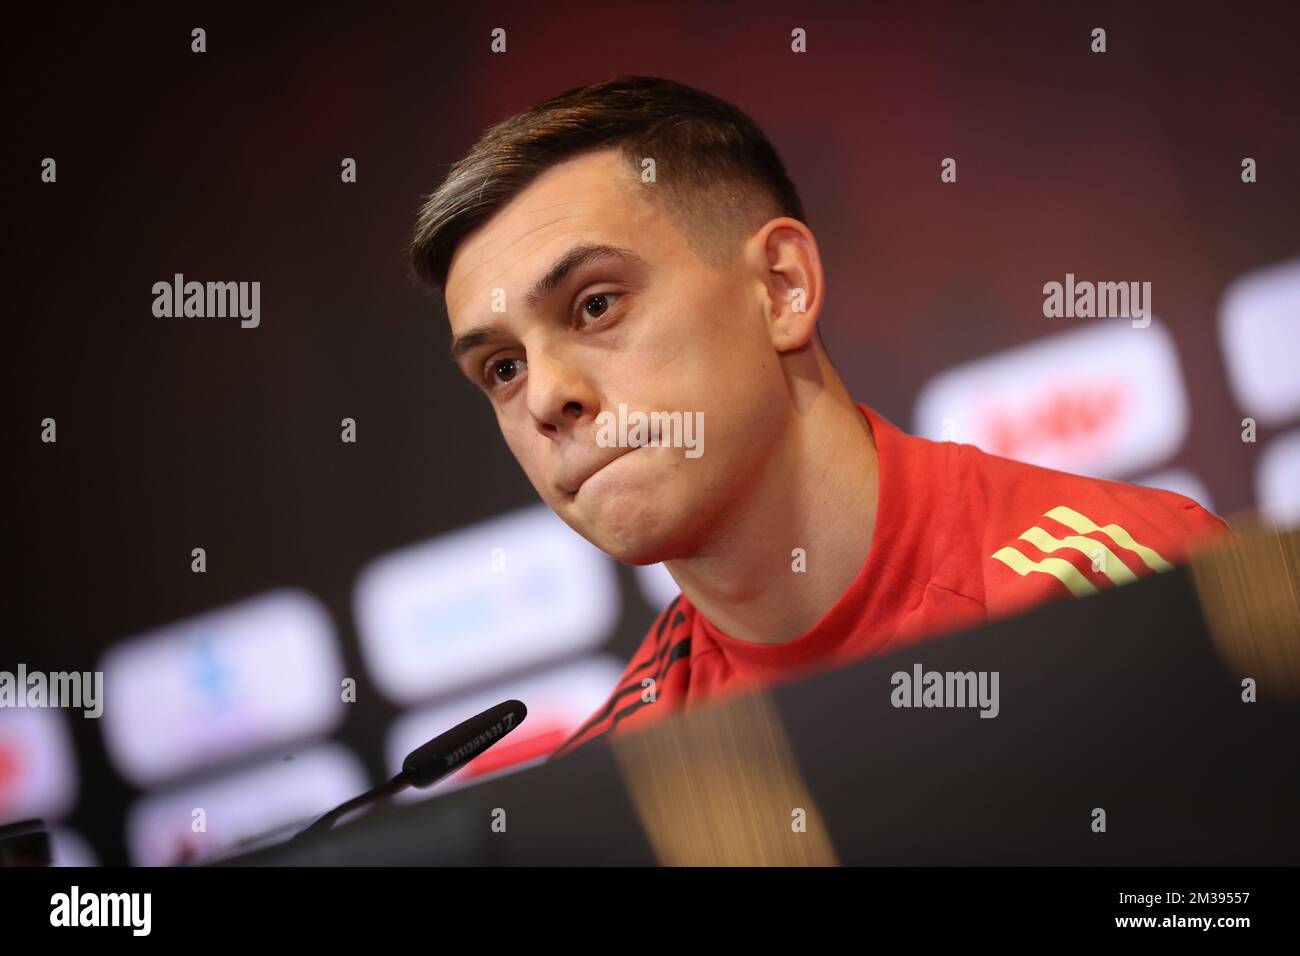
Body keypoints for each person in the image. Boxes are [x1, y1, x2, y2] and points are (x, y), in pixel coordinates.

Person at [407, 76, 1230, 759]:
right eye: (502, 369)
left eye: (595, 305)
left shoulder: (1130, 595)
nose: (547, 397)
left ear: (781, 288)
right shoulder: (611, 784)